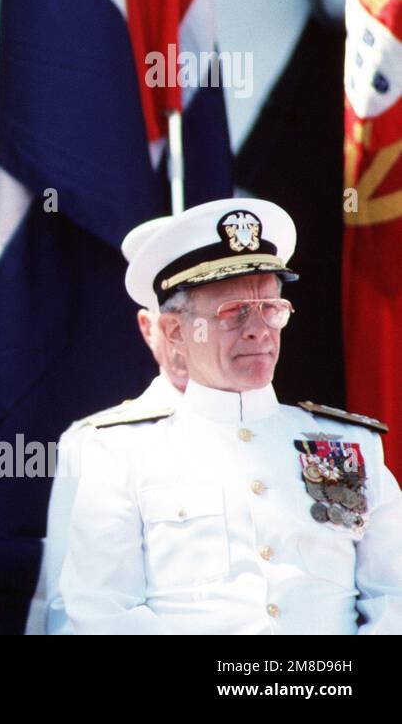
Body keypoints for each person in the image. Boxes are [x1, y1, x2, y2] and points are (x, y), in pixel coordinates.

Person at [60, 198, 402, 634]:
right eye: (233, 311)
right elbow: (103, 611)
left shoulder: (351, 446)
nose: (258, 329)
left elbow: (394, 596)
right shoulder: (120, 453)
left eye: (270, 309)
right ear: (175, 331)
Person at [28, 217, 187, 635]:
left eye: (261, 310)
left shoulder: (325, 439)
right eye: (174, 322)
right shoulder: (101, 446)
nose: (185, 336)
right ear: (150, 329)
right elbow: (74, 617)